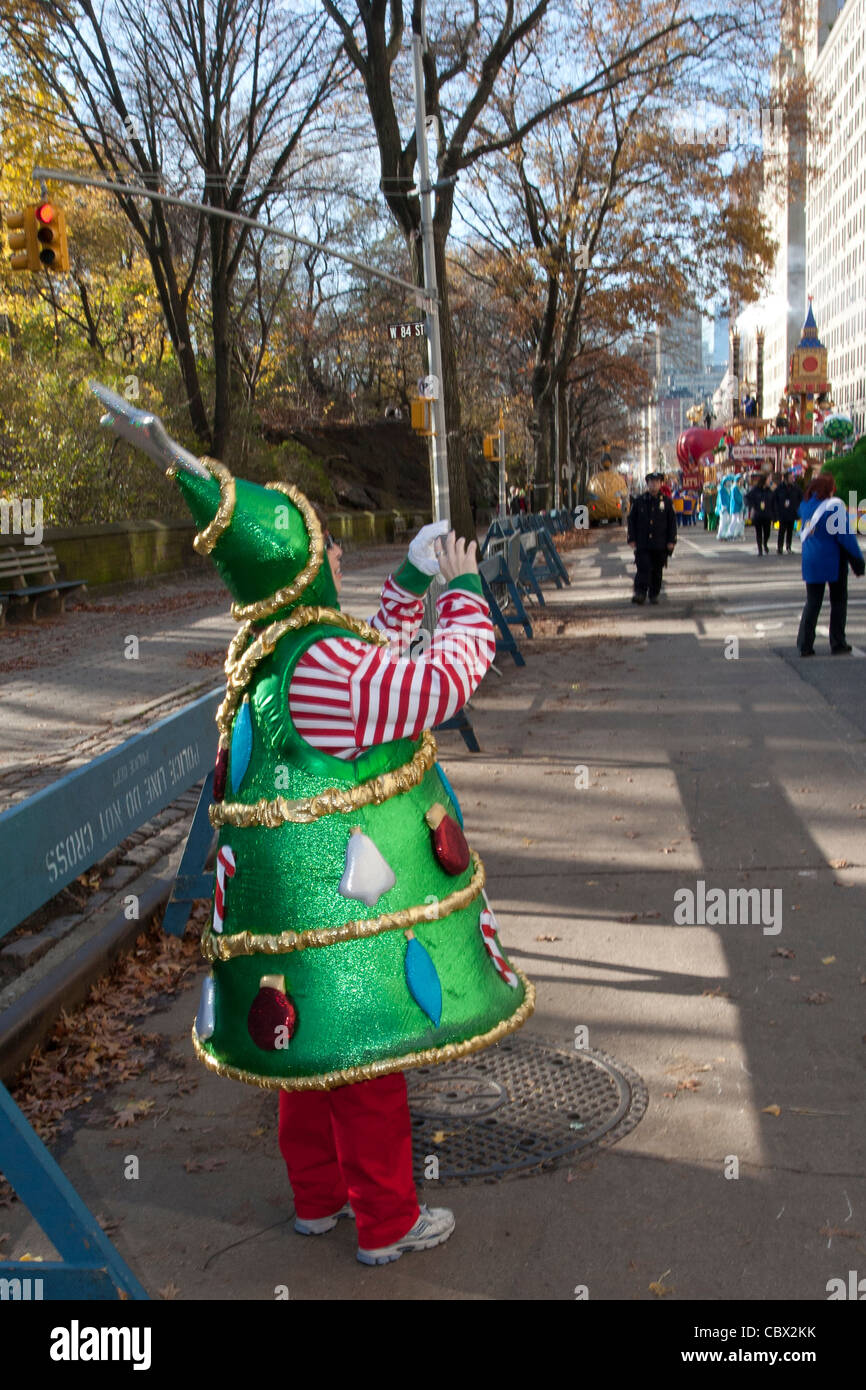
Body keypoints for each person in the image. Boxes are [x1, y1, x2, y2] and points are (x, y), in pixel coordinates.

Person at [164, 461, 531, 1267]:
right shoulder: (325, 670)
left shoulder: (276, 653)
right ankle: (388, 1222)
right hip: (344, 924)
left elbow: (378, 662)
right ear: (301, 570)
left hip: (293, 931)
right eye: (326, 549)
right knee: (365, 1068)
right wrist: (465, 591)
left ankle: (317, 1200)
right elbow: (433, 685)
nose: (336, 560)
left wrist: (409, 577)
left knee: (307, 1065)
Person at [796, 473, 865, 656]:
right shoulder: (834, 507)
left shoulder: (804, 506)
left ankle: (805, 643)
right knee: (839, 601)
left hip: (811, 559)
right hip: (834, 559)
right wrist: (858, 561)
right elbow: (846, 537)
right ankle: (837, 642)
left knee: (812, 602)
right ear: (829, 489)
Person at [627, 471, 676, 604]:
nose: (653, 484)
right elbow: (631, 520)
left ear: (661, 484)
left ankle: (654, 594)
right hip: (643, 542)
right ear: (647, 484)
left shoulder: (666, 502)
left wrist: (672, 541)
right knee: (643, 567)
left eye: (656, 482)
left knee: (657, 570)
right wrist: (631, 538)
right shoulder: (639, 501)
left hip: (660, 543)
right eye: (651, 482)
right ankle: (640, 593)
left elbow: (672, 522)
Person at [773, 470, 802, 554]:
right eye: (790, 478)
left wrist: (798, 509)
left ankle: (788, 546)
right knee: (782, 531)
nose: (792, 479)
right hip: (783, 513)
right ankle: (780, 548)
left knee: (790, 531)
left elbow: (801, 497)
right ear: (785, 479)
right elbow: (775, 499)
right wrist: (776, 511)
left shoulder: (796, 487)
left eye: (792, 477)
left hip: (792, 512)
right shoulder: (779, 488)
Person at [745, 473, 773, 554]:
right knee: (759, 532)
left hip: (767, 514)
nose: (770, 481)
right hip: (758, 514)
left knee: (767, 532)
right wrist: (752, 506)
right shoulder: (755, 489)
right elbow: (747, 497)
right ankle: (760, 548)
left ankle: (765, 543)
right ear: (764, 481)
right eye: (769, 480)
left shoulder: (769, 490)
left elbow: (774, 500)